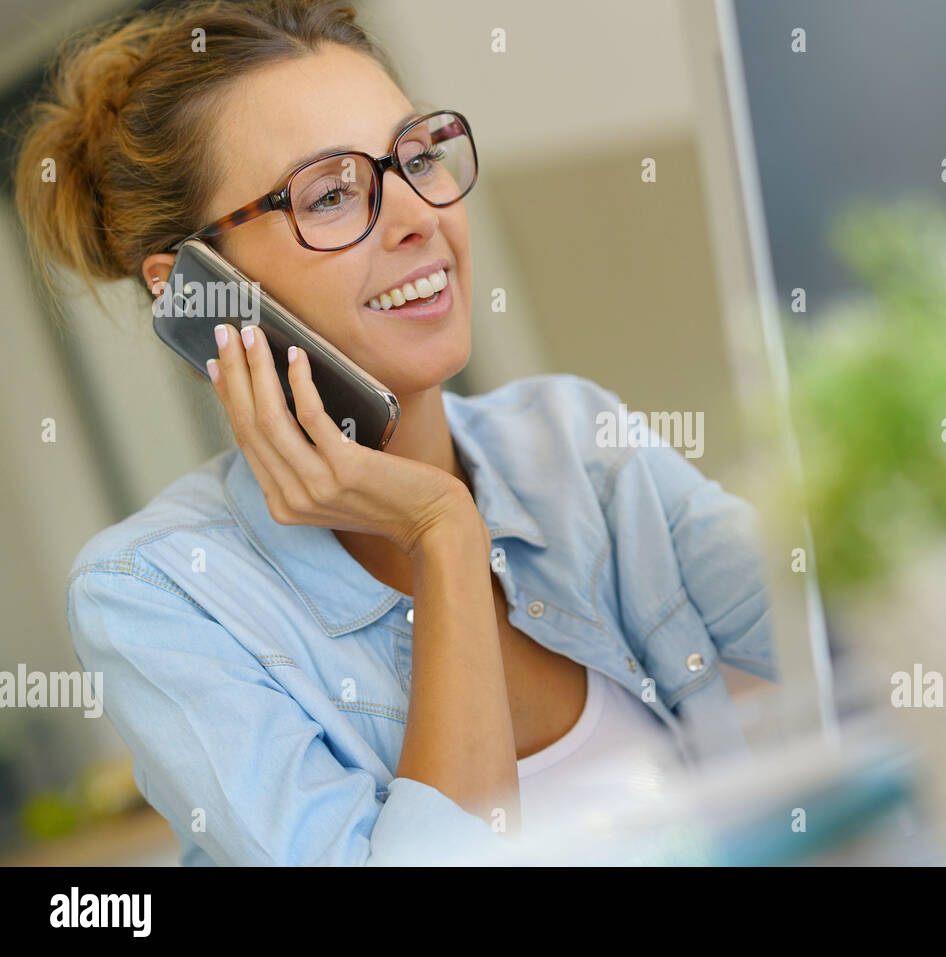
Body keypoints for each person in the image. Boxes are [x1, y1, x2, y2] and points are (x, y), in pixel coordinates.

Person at [12, 0, 776, 865]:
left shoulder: (575, 443)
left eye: (417, 156)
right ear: (196, 290)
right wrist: (443, 532)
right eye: (332, 193)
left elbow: (846, 612)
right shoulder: (157, 593)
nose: (420, 216)